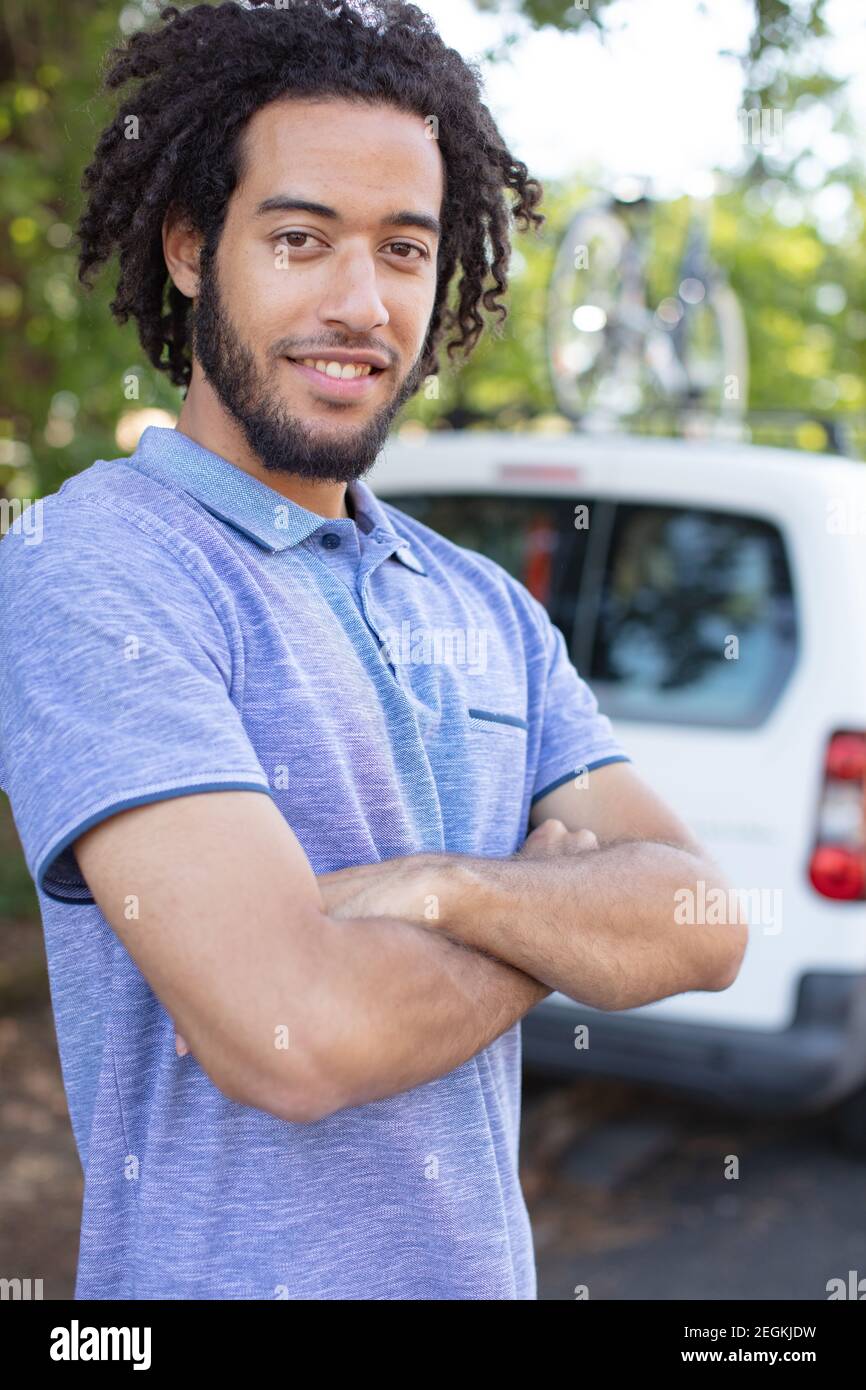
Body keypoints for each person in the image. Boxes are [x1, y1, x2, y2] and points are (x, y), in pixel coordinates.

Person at [0, 0, 746, 1300]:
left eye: (404, 250)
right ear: (190, 248)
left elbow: (700, 919)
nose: (359, 302)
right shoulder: (99, 565)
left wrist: (451, 889)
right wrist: (555, 906)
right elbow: (301, 1036)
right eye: (299, 238)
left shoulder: (482, 604)